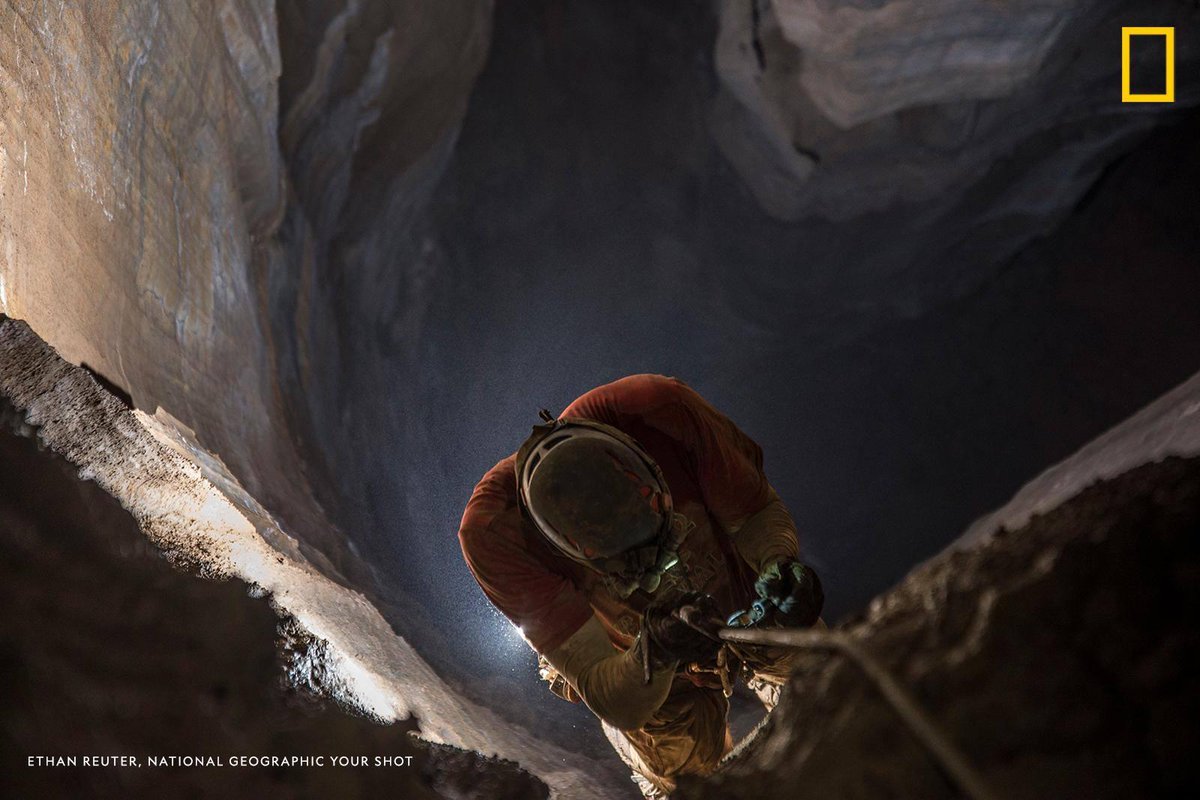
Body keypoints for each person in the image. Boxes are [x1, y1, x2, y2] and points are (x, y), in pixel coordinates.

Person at [458, 374, 823, 797]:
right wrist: (656, 652)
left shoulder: (659, 411)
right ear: (569, 546)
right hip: (627, 655)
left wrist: (777, 562)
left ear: (648, 469)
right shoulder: (496, 533)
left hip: (740, 594)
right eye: (628, 562)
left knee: (815, 668)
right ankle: (657, 754)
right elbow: (603, 684)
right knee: (683, 768)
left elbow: (756, 514)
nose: (657, 567)